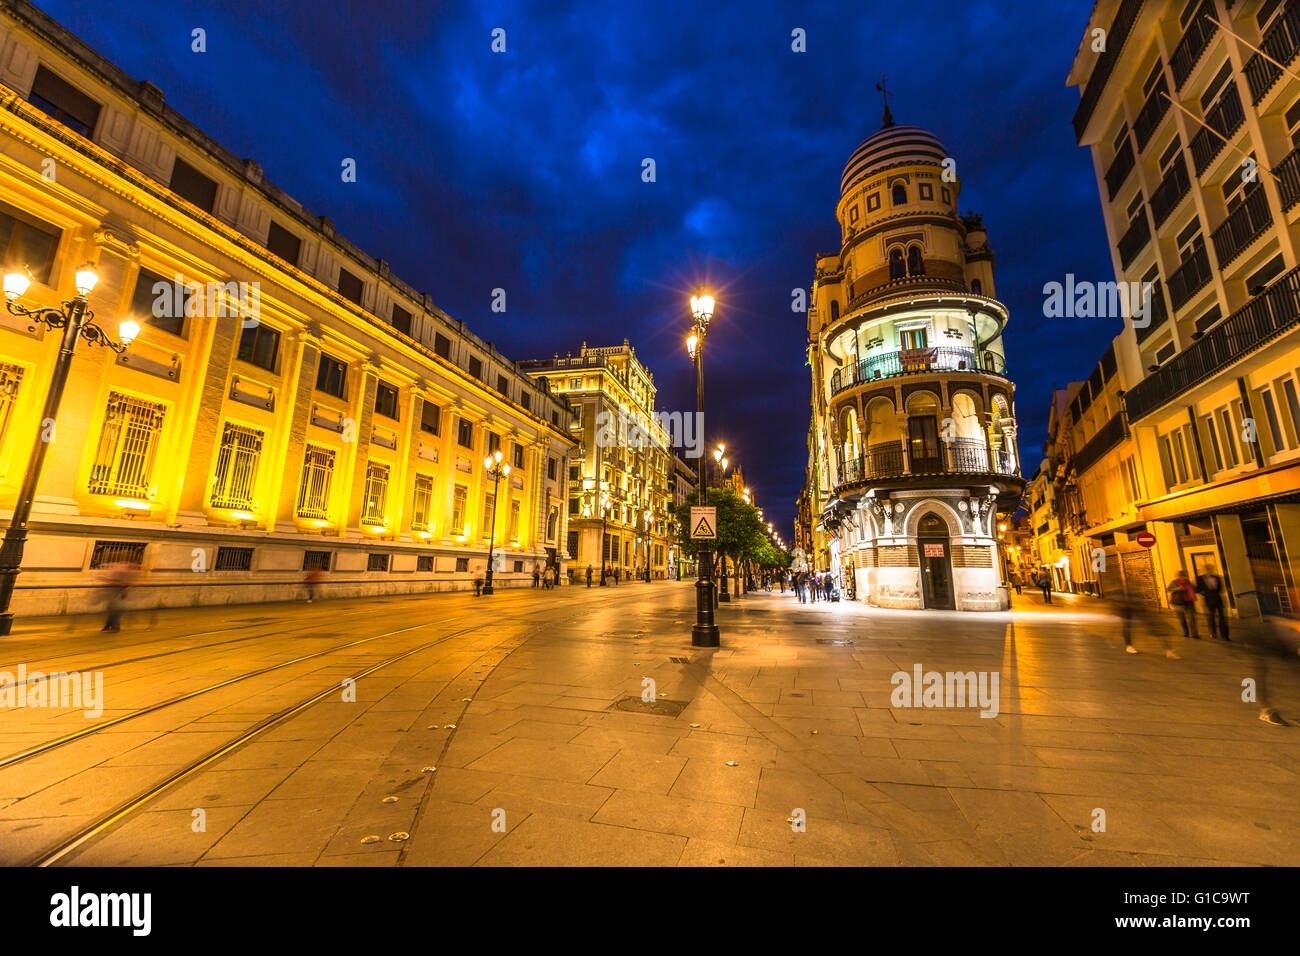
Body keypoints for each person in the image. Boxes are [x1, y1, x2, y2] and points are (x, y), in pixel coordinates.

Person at [1195, 563, 1229, 641]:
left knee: (1222, 617)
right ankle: (1213, 633)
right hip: (1208, 599)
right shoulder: (1200, 578)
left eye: (1211, 568)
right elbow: (1198, 589)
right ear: (1205, 570)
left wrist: (1215, 593)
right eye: (1208, 569)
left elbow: (1221, 588)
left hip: (1218, 599)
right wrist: (1205, 593)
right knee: (1211, 617)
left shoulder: (1217, 577)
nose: (1209, 570)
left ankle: (1225, 635)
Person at [102, 562, 136, 632]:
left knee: (115, 609)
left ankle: (115, 627)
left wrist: (124, 590)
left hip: (119, 591)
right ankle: (108, 625)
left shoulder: (125, 572)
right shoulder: (121, 571)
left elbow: (126, 583)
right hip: (115, 591)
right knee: (111, 608)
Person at [1166, 569, 1199, 639]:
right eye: (1181, 575)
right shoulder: (1174, 582)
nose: (1182, 577)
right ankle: (1186, 633)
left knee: (1192, 619)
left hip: (1189, 602)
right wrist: (1177, 588)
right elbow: (1168, 589)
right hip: (1178, 603)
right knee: (1182, 619)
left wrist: (1193, 587)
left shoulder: (1188, 582)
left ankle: (1194, 634)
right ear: (1178, 576)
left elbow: (1195, 590)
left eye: (1184, 575)